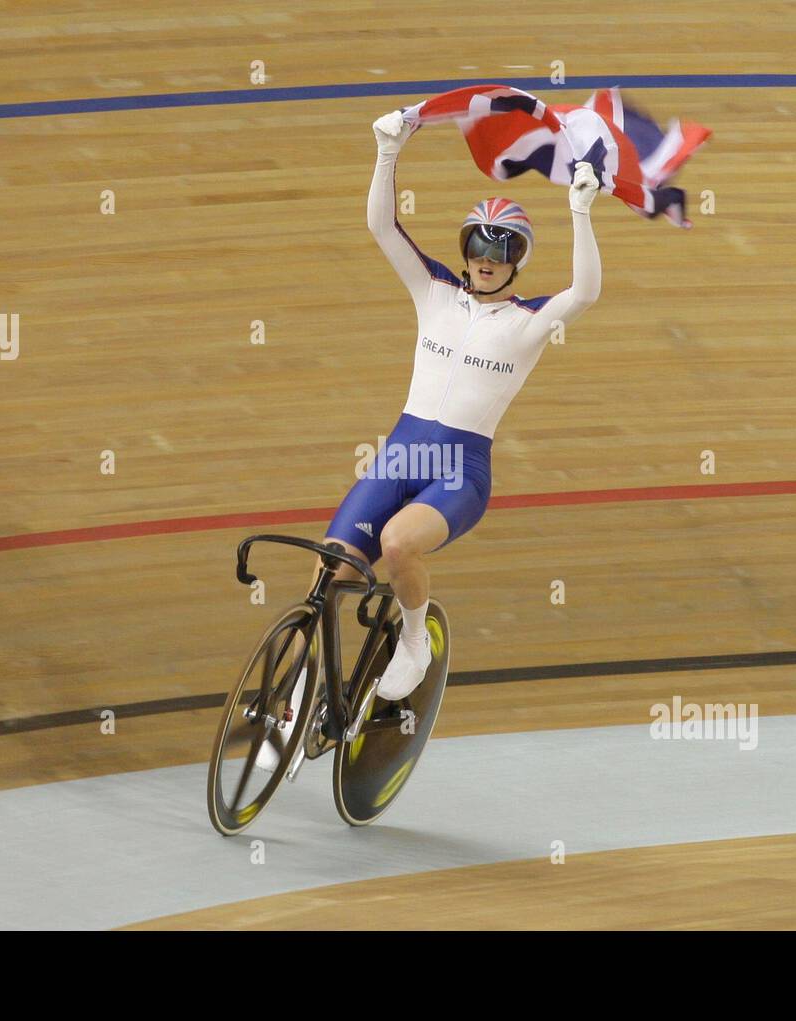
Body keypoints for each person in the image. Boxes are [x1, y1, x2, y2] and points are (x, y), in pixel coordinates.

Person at [258, 110, 602, 770]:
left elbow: (585, 291)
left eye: (503, 251)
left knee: (396, 544)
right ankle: (292, 707)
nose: (487, 261)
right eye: (479, 247)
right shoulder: (435, 290)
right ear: (466, 250)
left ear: (518, 260)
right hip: (401, 456)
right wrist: (388, 151)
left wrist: (581, 210)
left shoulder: (529, 322)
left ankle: (414, 641)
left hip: (459, 473)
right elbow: (382, 227)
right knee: (325, 578)